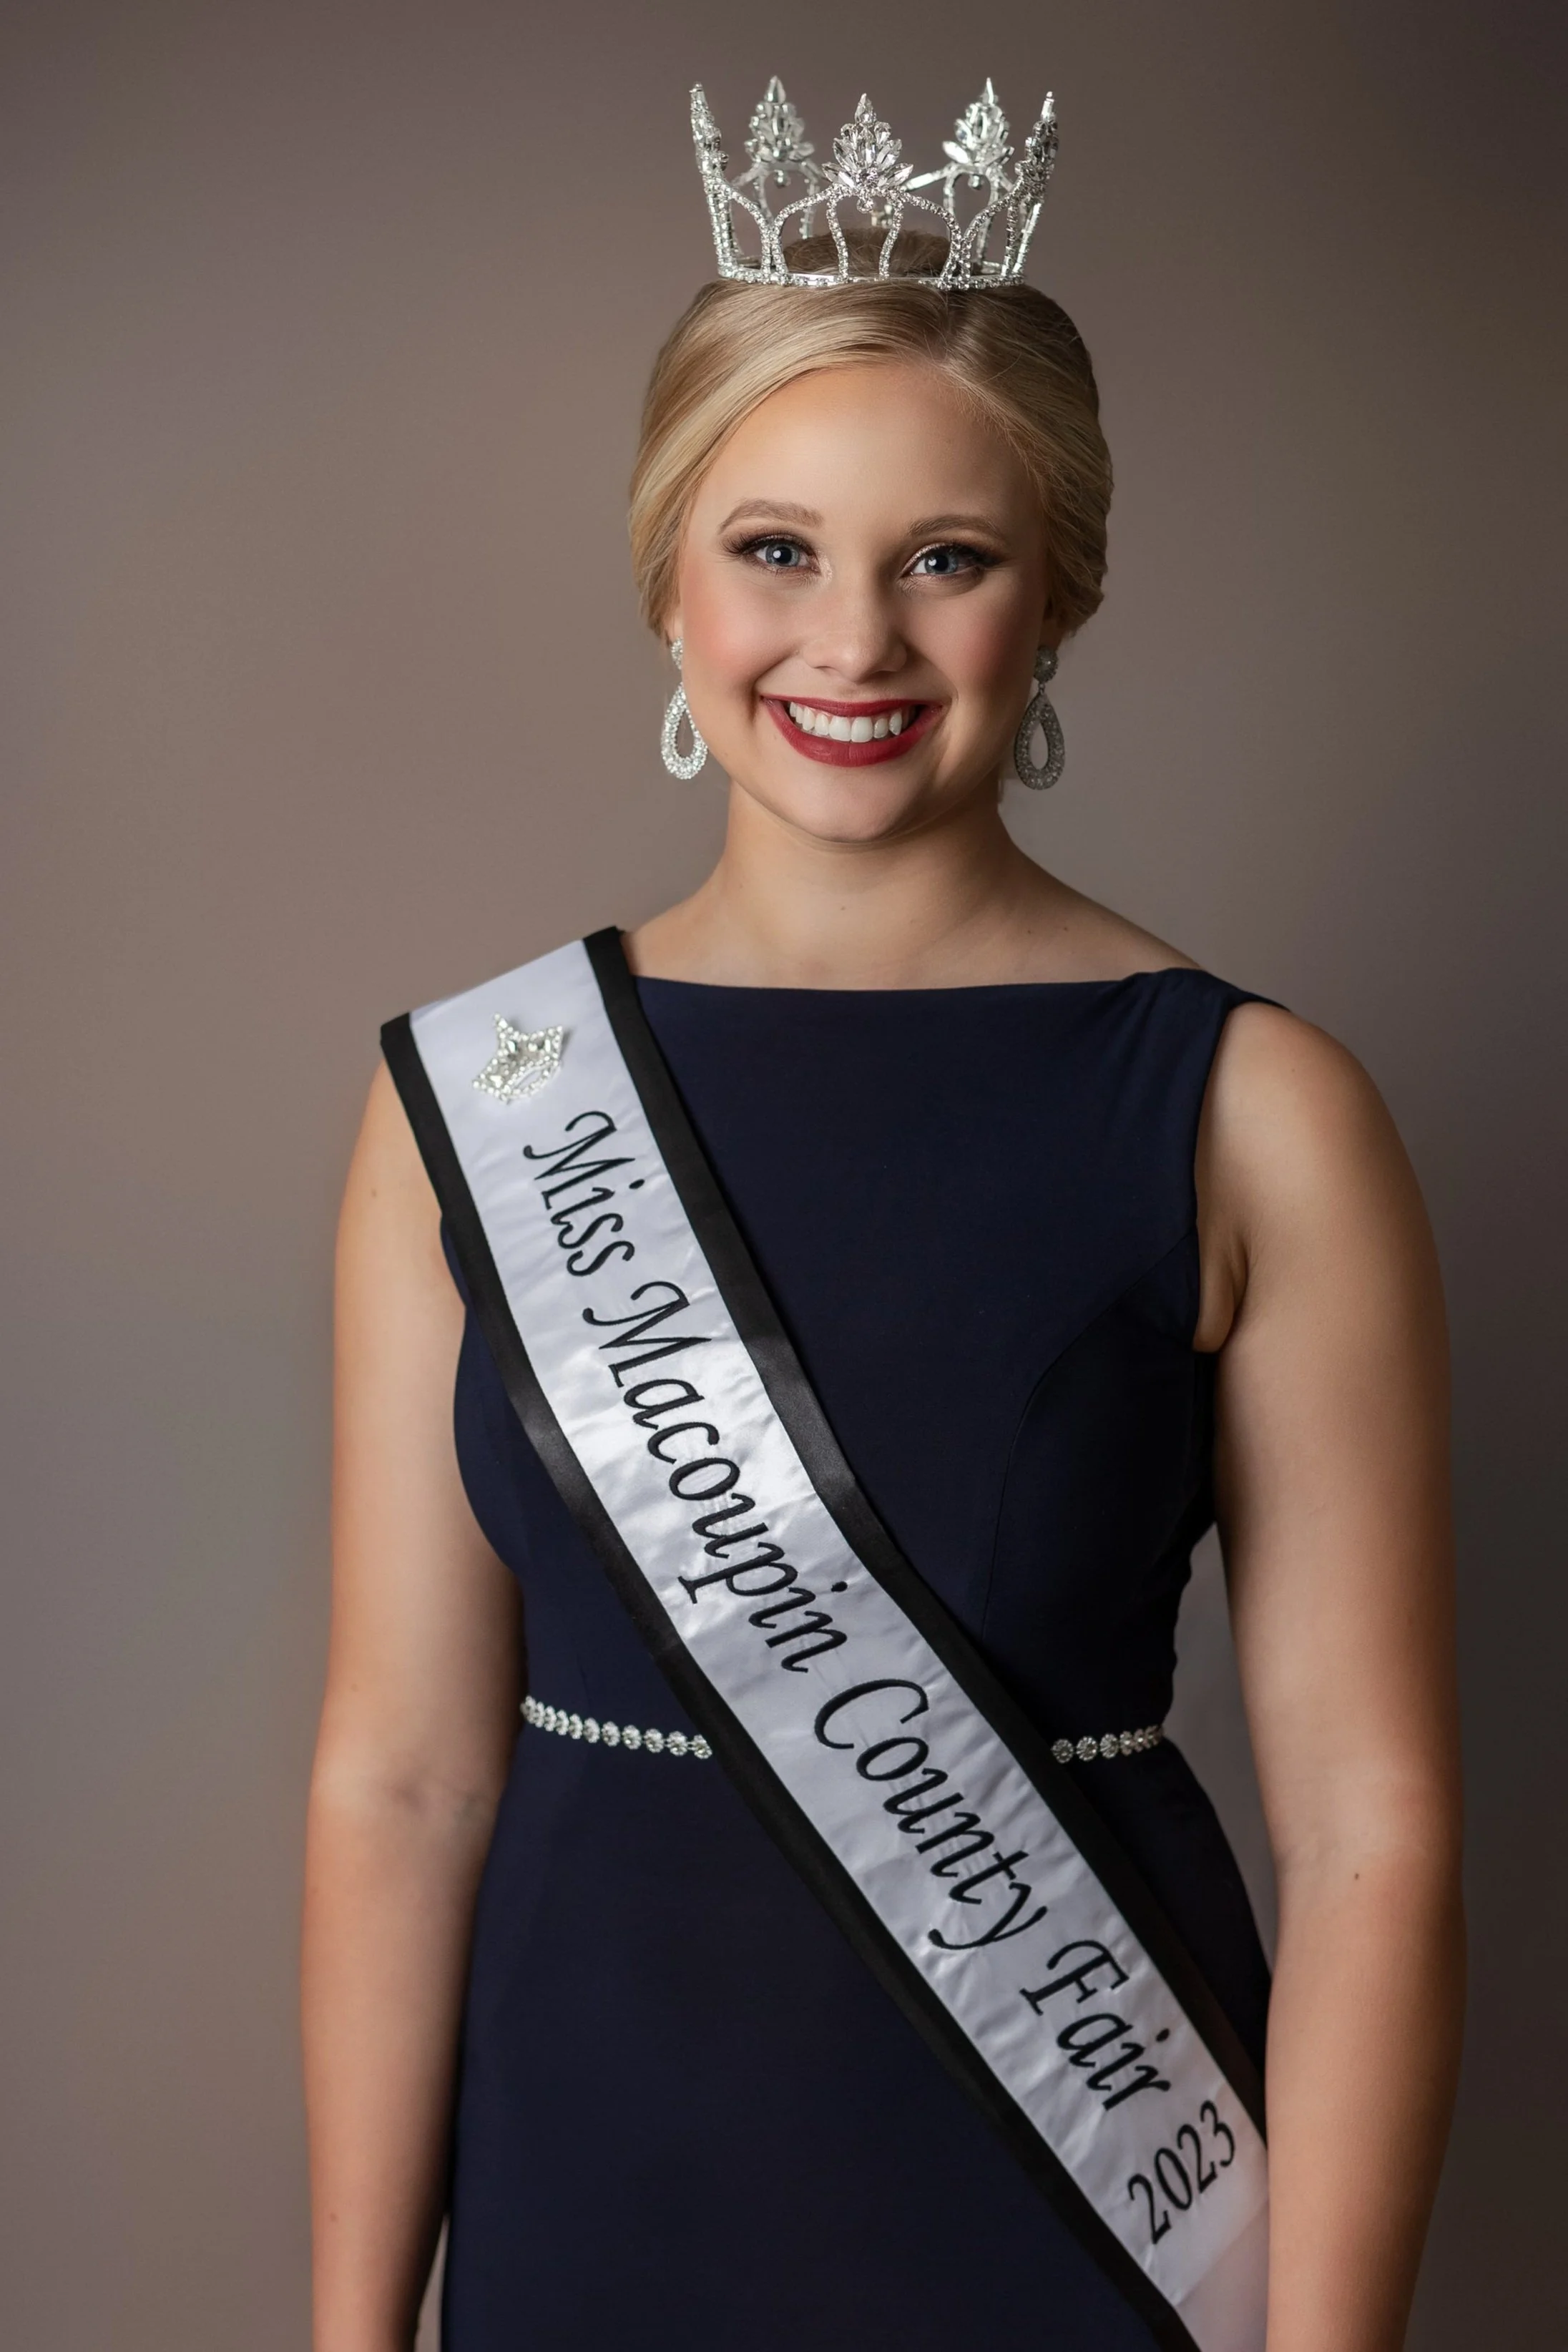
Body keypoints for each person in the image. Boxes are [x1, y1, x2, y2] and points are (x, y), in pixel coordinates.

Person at [303, 79, 1462, 2352]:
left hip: (1088, 2209)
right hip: (587, 2195)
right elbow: (403, 1778)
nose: (852, 641)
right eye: (774, 549)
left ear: (1061, 598)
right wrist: (353, 2333)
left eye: (946, 558)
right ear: (665, 575)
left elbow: (1373, 1829)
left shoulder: (1257, 1112)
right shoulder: (477, 1101)